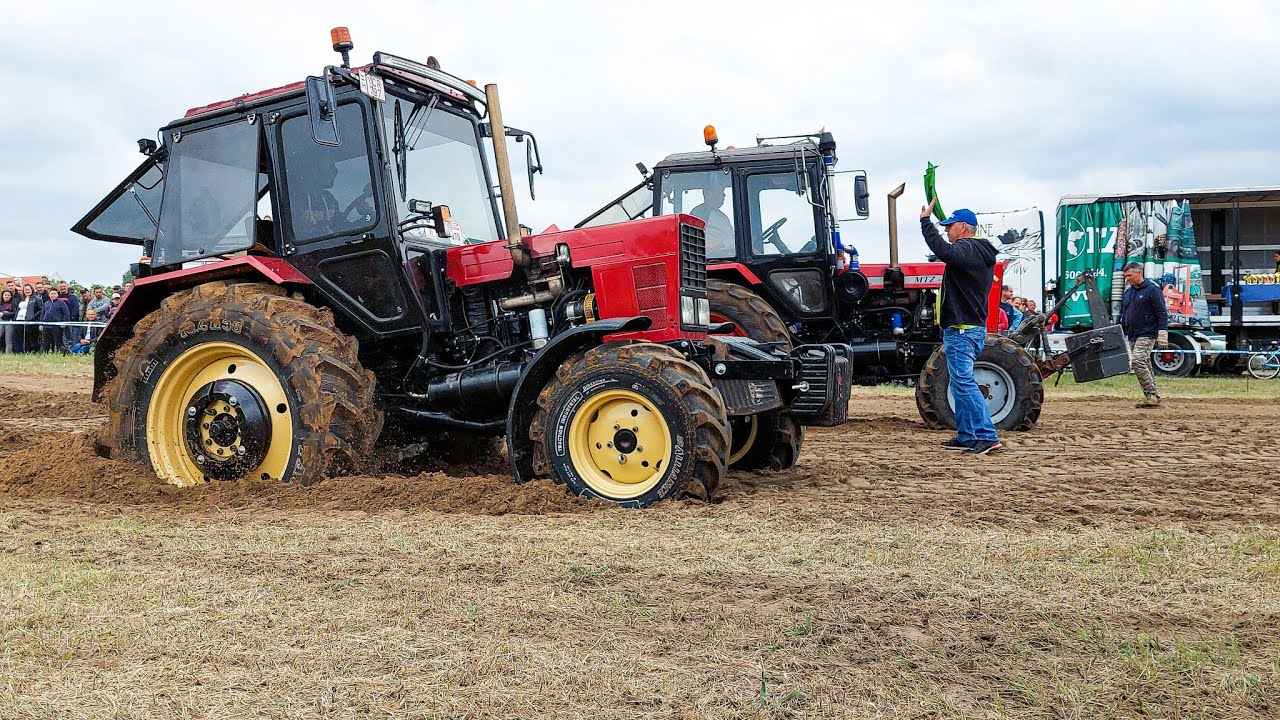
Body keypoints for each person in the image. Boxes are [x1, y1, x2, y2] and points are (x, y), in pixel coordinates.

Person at [921, 200, 1002, 455]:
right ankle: (967, 435)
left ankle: (987, 436)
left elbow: (945, 252)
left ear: (964, 227)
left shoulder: (969, 248)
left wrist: (926, 223)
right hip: (967, 327)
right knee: (959, 384)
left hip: (962, 329)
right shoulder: (977, 252)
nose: (946, 230)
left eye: (950, 226)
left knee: (964, 383)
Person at [1120, 262, 1169, 408]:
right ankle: (1152, 396)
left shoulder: (1152, 290)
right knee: (1144, 363)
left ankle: (1151, 394)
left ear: (1139, 273)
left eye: (1129, 275)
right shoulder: (1128, 293)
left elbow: (1162, 313)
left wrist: (1162, 332)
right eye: (1125, 276)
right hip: (1132, 333)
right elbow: (1125, 313)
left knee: (1137, 362)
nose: (1127, 279)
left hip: (1147, 333)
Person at [689, 175, 735, 257]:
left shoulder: (722, 216)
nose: (724, 195)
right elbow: (693, 240)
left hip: (729, 253)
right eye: (721, 191)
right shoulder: (700, 213)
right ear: (708, 193)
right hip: (716, 257)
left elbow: (730, 237)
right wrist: (718, 245)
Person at [40, 287, 69, 353]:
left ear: (57, 294)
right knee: (46, 342)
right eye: (51, 293)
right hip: (46, 326)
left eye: (55, 293)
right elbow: (42, 314)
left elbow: (66, 313)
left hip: (57, 326)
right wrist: (41, 324)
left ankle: (60, 353)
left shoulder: (61, 303)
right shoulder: (46, 303)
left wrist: (64, 322)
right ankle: (46, 353)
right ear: (49, 295)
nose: (53, 295)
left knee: (58, 342)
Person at [17, 283, 41, 353]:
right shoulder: (22, 299)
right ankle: (26, 351)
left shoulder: (37, 299)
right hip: (20, 320)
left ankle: (34, 352)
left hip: (31, 321)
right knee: (23, 338)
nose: (27, 291)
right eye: (25, 290)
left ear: (32, 290)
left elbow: (41, 310)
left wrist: (33, 317)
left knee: (32, 337)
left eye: (28, 289)